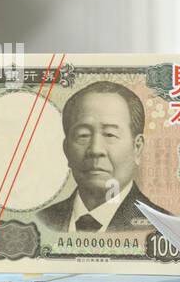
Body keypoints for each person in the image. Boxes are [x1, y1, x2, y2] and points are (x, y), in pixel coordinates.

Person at [38, 81, 169, 232]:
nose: (95, 149)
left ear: (137, 148)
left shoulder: (164, 227)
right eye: (83, 135)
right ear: (66, 149)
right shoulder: (43, 221)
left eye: (110, 134)